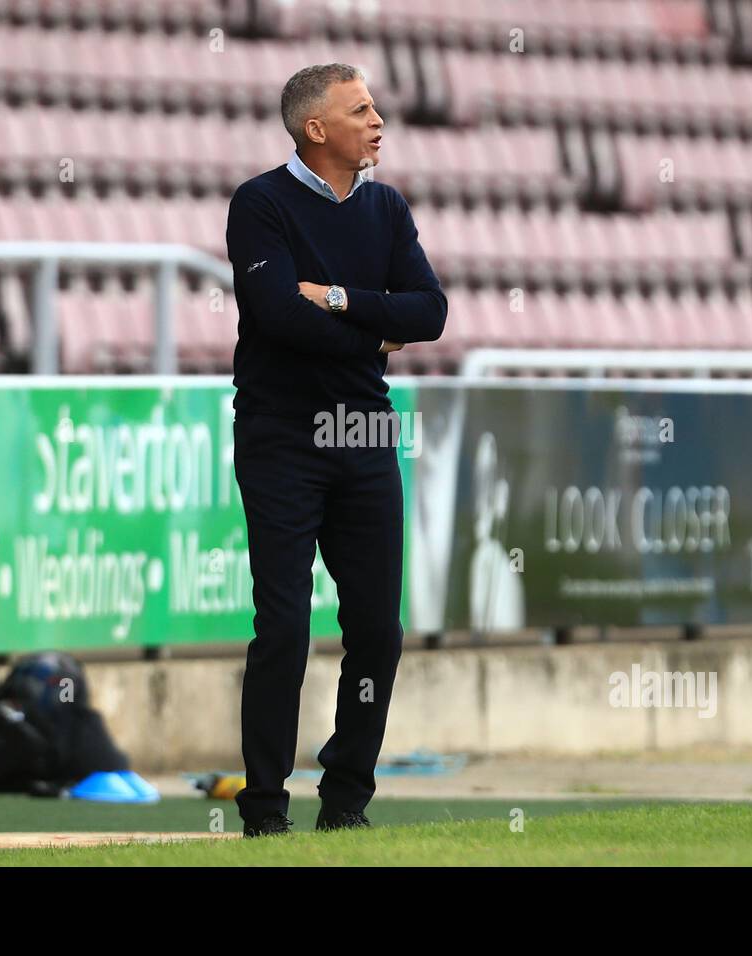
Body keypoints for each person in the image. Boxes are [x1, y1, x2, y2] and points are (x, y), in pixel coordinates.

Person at [225, 63, 447, 837]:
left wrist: (343, 298)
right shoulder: (259, 204)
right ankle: (263, 809)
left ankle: (346, 797)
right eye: (361, 110)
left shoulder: (386, 207)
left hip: (366, 433)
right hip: (281, 438)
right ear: (317, 129)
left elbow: (430, 313)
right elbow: (276, 315)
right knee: (283, 625)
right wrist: (370, 332)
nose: (379, 120)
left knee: (378, 630)